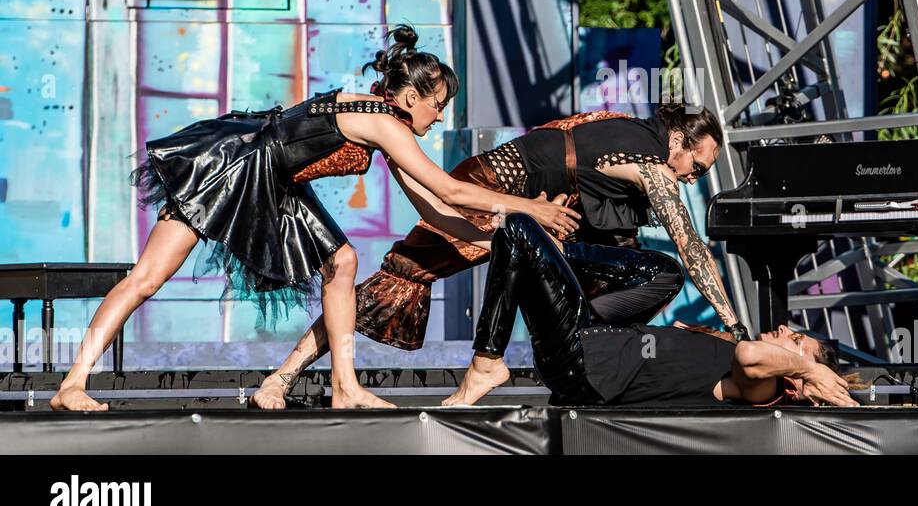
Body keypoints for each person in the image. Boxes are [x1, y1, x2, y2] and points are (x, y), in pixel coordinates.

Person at [51, 26, 579, 411]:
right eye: (437, 105)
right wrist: (530, 207)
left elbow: (431, 207)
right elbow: (446, 186)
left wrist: (484, 240)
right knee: (146, 279)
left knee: (343, 262)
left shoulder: (383, 120)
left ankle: (345, 387)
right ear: (411, 96)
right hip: (231, 167)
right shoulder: (387, 125)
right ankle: (72, 384)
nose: (439, 116)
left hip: (275, 181)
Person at [251, 103, 748, 409]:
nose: (692, 178)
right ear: (678, 140)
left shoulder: (629, 137)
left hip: (544, 211)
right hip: (498, 189)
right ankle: (284, 375)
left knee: (627, 271)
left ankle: (590, 375)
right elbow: (690, 245)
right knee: (397, 280)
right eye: (697, 167)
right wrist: (733, 322)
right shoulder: (651, 160)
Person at [441, 214, 856, 408]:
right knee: (665, 273)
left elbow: (751, 357)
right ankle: (559, 253)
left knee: (518, 228)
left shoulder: (766, 390)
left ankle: (486, 363)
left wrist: (812, 370)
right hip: (594, 337)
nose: (787, 329)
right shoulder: (741, 353)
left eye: (797, 340)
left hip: (583, 365)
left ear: (799, 384)